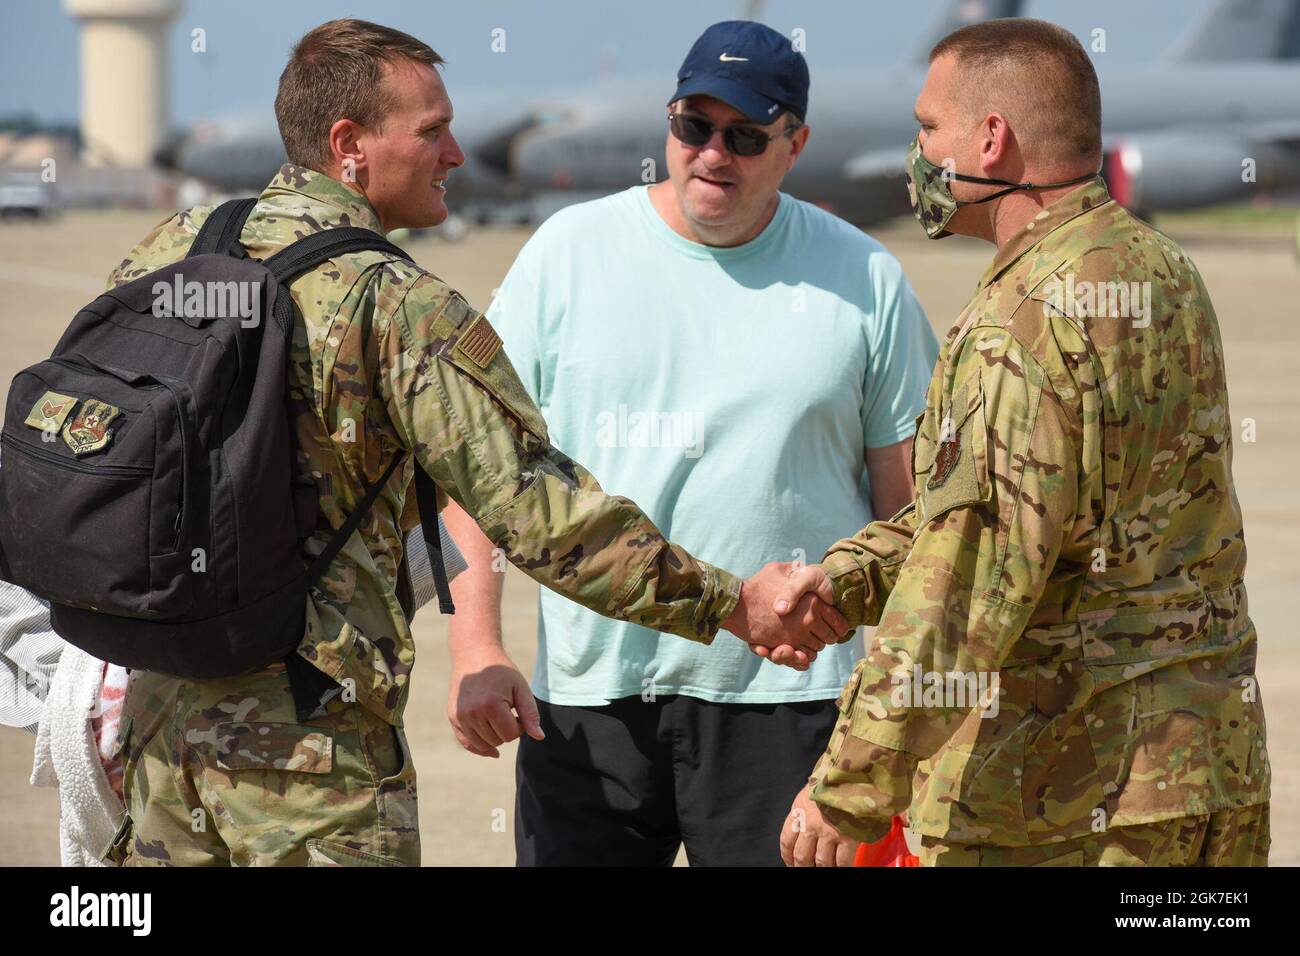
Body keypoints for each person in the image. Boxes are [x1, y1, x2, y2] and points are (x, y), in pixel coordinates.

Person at [101, 18, 839, 868]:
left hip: (159, 727)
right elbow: (541, 515)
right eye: (431, 131)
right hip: (306, 756)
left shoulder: (176, 247)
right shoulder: (396, 303)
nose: (455, 153)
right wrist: (728, 603)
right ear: (349, 145)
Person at [443, 20, 937, 866]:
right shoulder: (566, 255)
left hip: (792, 700)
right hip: (589, 700)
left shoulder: (866, 279)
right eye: (692, 126)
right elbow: (481, 475)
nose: (713, 153)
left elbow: (913, 518)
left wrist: (886, 719)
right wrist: (477, 648)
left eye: (745, 136)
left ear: (795, 144)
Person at [779, 17, 1270, 866]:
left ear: (992, 139)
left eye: (929, 128)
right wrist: (848, 578)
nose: (919, 152)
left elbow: (972, 576)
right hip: (1207, 781)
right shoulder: (1161, 271)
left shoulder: (1023, 321)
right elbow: (1056, 508)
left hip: (1070, 804)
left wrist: (852, 785)